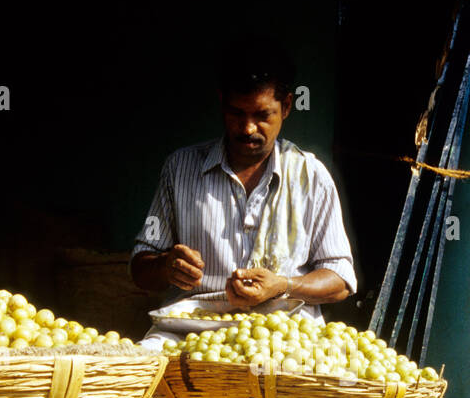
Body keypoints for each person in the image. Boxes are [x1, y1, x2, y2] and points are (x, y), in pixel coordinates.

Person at [130, 36, 356, 347]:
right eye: (237, 114)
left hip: (285, 334)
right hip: (191, 329)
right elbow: (140, 268)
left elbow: (340, 280)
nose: (248, 129)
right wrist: (166, 267)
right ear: (222, 102)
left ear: (287, 106)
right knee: (144, 365)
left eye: (262, 116)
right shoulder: (180, 168)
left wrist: (283, 286)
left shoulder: (310, 176)